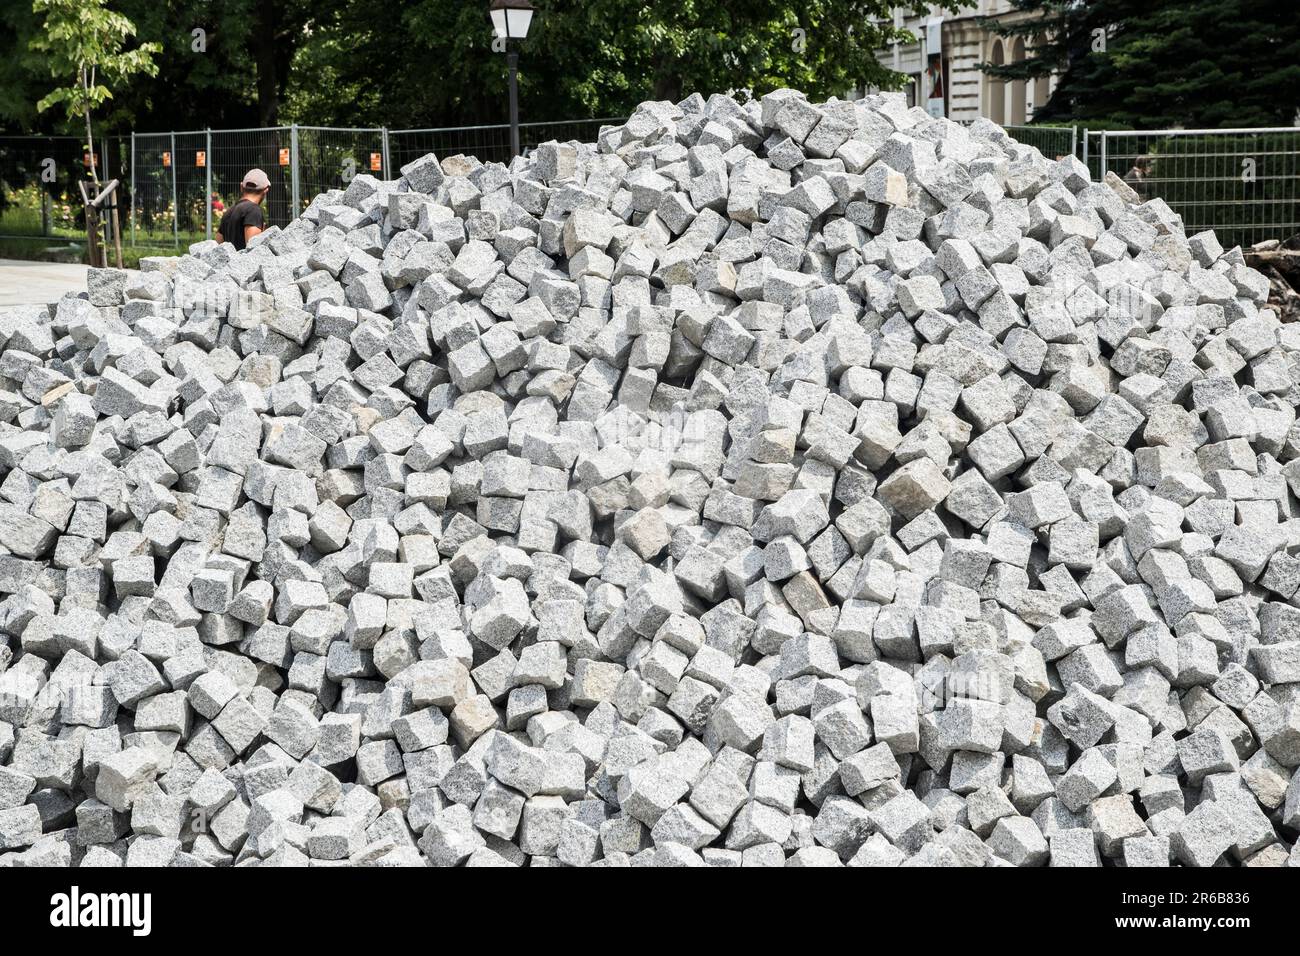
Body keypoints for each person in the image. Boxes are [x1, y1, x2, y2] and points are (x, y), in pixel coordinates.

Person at [216, 169, 270, 250]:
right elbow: (254, 250)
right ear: (266, 189)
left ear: (241, 186)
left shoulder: (228, 212)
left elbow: (218, 246)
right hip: (245, 262)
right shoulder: (253, 211)